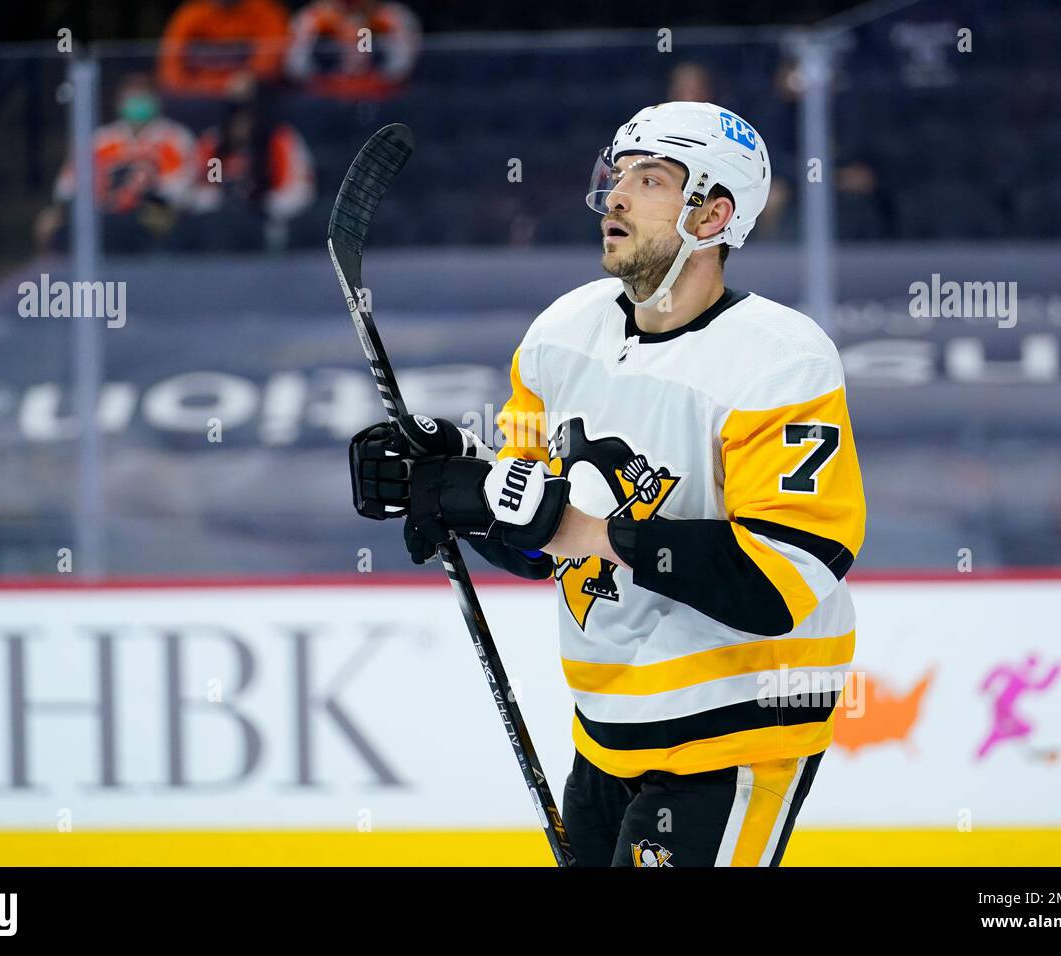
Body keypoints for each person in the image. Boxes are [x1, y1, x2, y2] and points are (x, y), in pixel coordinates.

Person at [349, 102, 866, 867]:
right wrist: (453, 478)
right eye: (616, 175)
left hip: (738, 730)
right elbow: (534, 540)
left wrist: (573, 529)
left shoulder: (781, 359)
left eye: (650, 179)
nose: (616, 196)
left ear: (714, 212)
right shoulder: (563, 335)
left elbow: (785, 578)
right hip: (607, 732)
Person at [37, 74, 197, 253]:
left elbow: (178, 188)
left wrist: (138, 193)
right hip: (100, 211)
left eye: (143, 97)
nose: (137, 104)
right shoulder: (100, 140)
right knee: (49, 221)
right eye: (131, 98)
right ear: (119, 102)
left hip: (146, 212)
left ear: (156, 101)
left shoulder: (176, 138)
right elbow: (67, 185)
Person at [183, 101, 316, 250]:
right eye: (236, 123)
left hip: (269, 197)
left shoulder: (275, 140)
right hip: (229, 199)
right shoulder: (215, 142)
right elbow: (210, 181)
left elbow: (290, 184)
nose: (241, 129)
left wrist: (259, 197)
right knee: (203, 198)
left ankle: (273, 244)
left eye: (245, 123)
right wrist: (226, 189)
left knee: (281, 202)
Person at [284, 0, 420, 100]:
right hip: (327, 99)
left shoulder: (393, 17)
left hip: (380, 97)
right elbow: (296, 69)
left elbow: (401, 68)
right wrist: (320, 26)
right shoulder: (311, 18)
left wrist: (380, 24)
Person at [158, 0, 291, 99]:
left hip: (245, 99)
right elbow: (170, 65)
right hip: (195, 97)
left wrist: (239, 83)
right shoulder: (191, 14)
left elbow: (269, 64)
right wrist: (205, 87)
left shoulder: (265, 13)